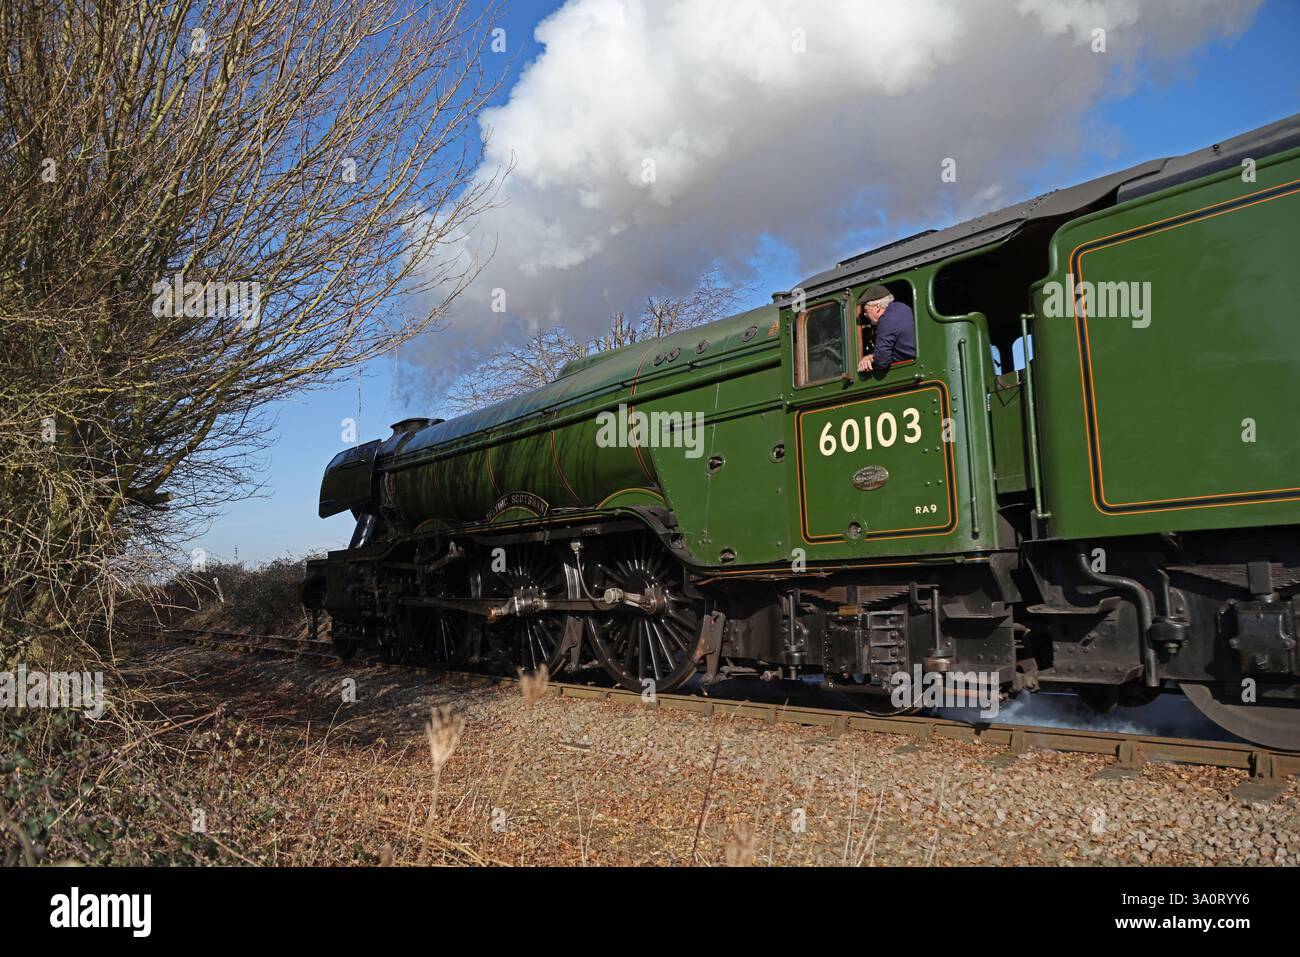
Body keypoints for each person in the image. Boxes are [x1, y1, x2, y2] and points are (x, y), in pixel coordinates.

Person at [856, 283, 915, 374]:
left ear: (878, 307)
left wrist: (868, 360)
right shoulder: (902, 307)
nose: (865, 314)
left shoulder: (886, 321)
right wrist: (873, 356)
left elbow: (882, 362)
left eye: (866, 310)